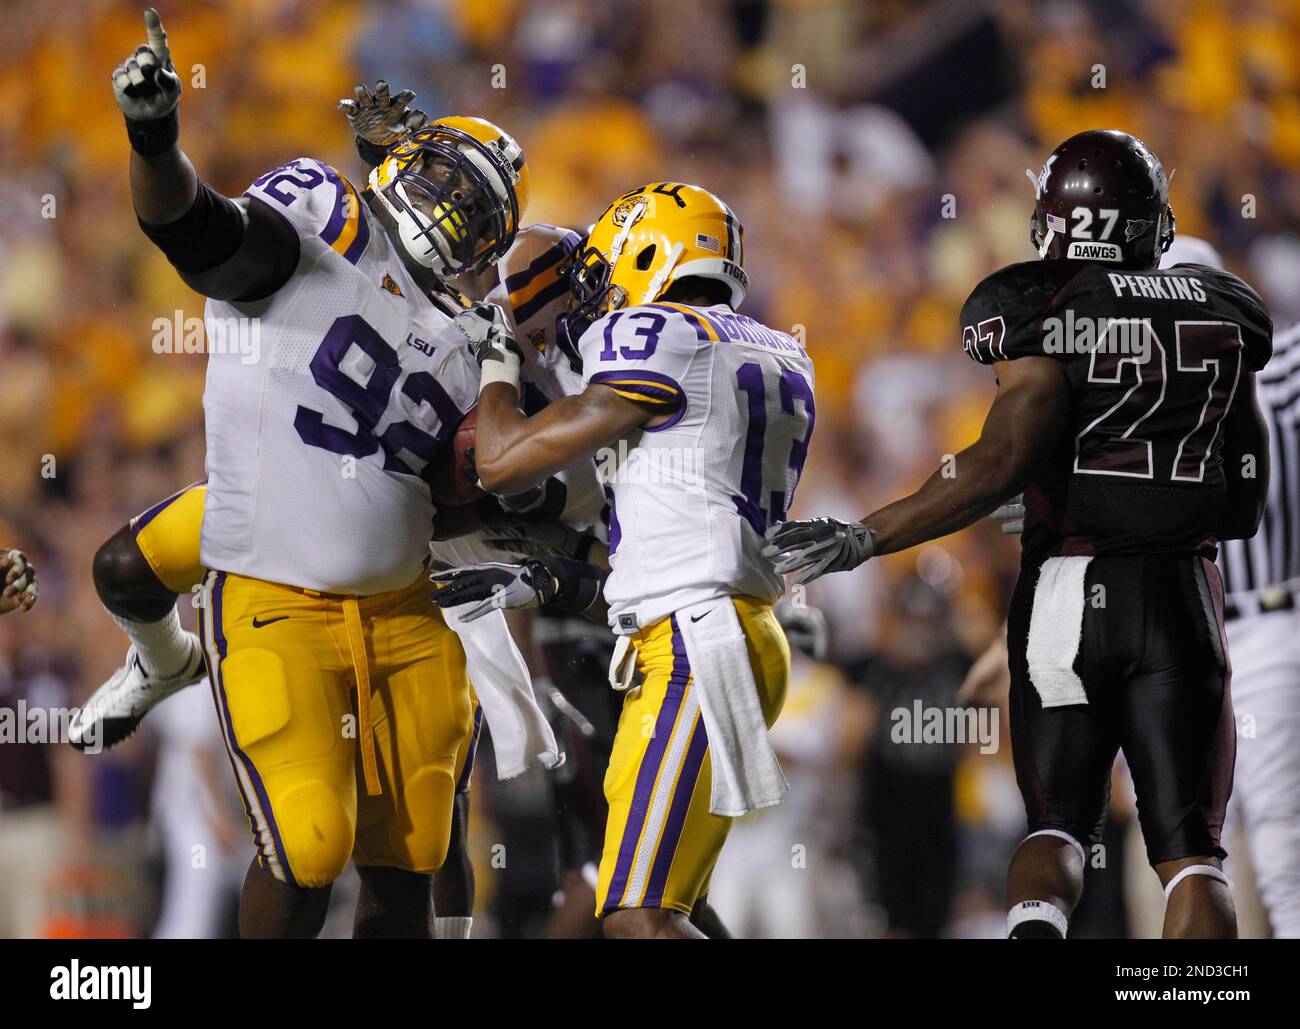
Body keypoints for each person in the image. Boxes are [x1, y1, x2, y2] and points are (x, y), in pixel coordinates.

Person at [765, 129, 1272, 940]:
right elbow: (1242, 502)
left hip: (1069, 588)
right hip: (1182, 595)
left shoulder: (1041, 301)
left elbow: (1000, 457)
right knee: (1193, 856)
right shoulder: (1226, 310)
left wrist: (868, 533)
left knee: (1058, 827)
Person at [106, 9, 527, 938]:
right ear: (407, 167)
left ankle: (157, 656)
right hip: (277, 571)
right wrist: (156, 138)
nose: (458, 208)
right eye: (450, 178)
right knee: (305, 838)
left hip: (400, 604)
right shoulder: (329, 212)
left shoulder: (474, 346)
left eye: (481, 207)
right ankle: (155, 660)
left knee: (414, 850)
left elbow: (489, 485)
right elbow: (203, 233)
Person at [439, 181, 815, 938]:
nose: (599, 297)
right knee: (668, 904)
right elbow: (664, 536)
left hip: (695, 647)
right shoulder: (776, 350)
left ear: (653, 252)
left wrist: (498, 350)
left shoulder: (656, 334)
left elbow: (503, 459)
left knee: (637, 918)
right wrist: (556, 574)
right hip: (715, 631)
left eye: (608, 271)